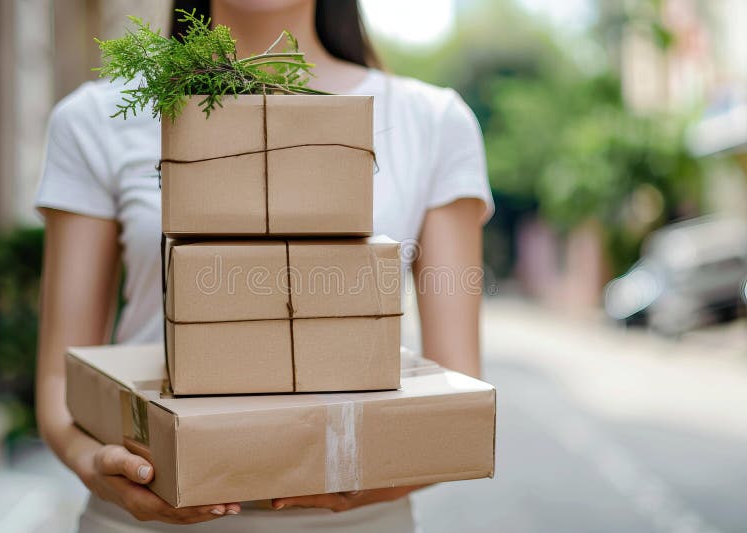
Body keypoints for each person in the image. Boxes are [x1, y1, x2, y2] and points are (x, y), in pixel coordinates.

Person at [34, 0, 493, 531]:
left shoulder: (431, 122)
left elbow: (461, 388)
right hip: (144, 516)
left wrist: (361, 479)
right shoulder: (97, 118)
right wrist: (97, 467)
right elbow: (57, 381)